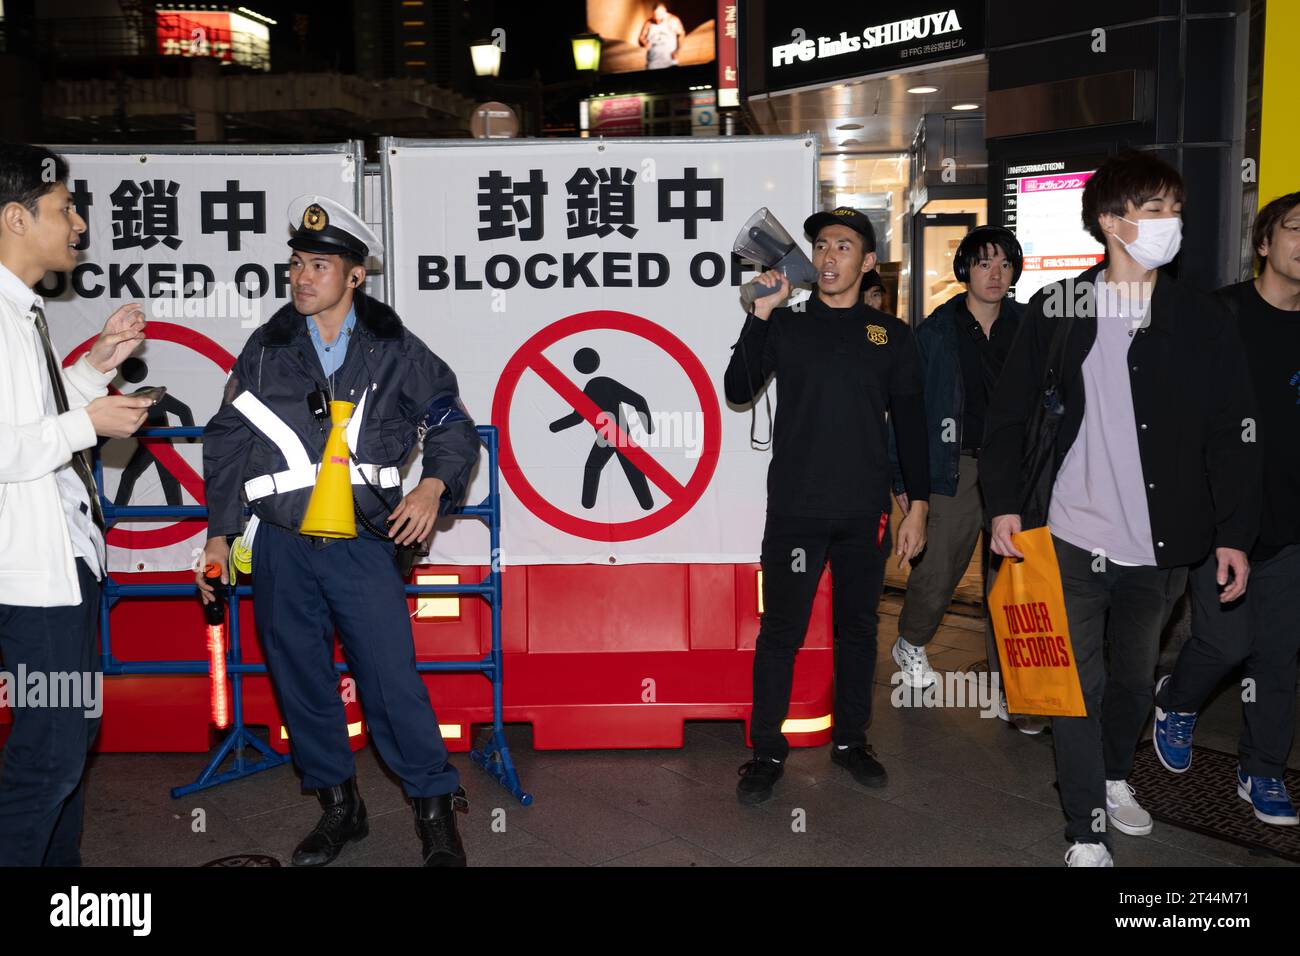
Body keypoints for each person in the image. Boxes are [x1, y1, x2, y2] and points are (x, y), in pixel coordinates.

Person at [981, 151, 1260, 866]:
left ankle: (1111, 776)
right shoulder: (1060, 309)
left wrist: (1234, 533)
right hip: (1069, 531)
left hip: (1160, 546)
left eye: (1176, 211)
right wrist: (1004, 506)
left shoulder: (1201, 317)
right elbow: (1008, 417)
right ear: (1111, 222)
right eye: (1156, 210)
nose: (1173, 224)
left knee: (1133, 681)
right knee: (1075, 682)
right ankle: (1086, 828)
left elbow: (1234, 430)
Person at [197, 195, 480, 867]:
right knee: (301, 681)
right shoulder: (266, 350)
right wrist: (218, 533)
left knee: (390, 680)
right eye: (296, 263)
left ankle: (435, 811)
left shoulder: (396, 352)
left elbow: (452, 424)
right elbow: (228, 441)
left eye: (318, 265)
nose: (301, 277)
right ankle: (338, 808)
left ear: (356, 275)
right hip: (282, 546)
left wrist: (435, 484)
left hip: (361, 544)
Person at [724, 206, 930, 805]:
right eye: (821, 246)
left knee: (859, 631)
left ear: (868, 263)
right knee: (782, 633)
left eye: (843, 246)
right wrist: (760, 314)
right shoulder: (786, 325)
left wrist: (917, 505)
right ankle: (765, 750)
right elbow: (738, 390)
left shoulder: (890, 335)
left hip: (865, 512)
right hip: (796, 509)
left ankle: (851, 741)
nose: (828, 257)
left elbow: (912, 425)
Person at [0, 144, 154, 866]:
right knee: (49, 759)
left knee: (69, 742)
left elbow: (35, 419)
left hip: (61, 567)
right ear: (14, 218)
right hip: (30, 582)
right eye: (63, 209)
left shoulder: (21, 311)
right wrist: (87, 425)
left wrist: (96, 366)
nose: (80, 223)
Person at [1153, 191, 1300, 825]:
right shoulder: (1218, 316)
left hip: (1291, 522)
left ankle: (1262, 770)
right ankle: (1177, 702)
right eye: (1297, 229)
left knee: (1278, 652)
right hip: (1218, 518)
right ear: (1264, 243)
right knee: (1225, 643)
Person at [887, 227, 1047, 734]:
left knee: (1013, 582)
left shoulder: (1030, 327)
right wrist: (905, 485)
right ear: (965, 271)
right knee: (939, 572)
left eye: (1004, 264)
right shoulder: (935, 333)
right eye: (983, 264)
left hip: (1015, 465)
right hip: (952, 464)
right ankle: (911, 640)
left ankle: (1012, 686)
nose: (995, 274)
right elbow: (907, 413)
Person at [639, 2, 685, 69]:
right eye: (655, 15)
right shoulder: (648, 22)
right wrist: (644, 43)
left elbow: (681, 34)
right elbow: (641, 37)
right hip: (653, 62)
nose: (657, 19)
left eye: (660, 15)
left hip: (670, 61)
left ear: (664, 12)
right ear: (653, 14)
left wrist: (677, 51)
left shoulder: (672, 20)